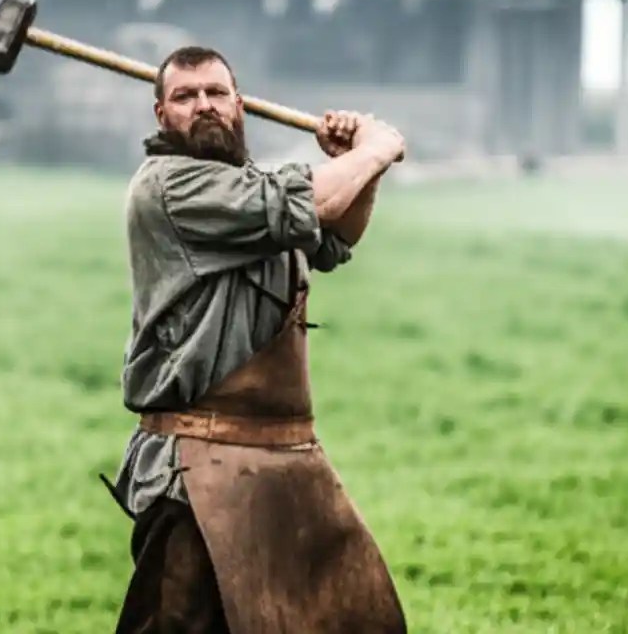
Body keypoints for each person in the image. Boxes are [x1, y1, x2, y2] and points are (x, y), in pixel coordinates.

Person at [105, 45, 408, 633]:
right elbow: (317, 200)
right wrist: (376, 148)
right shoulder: (170, 189)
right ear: (161, 114)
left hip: (280, 466)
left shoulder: (244, 187)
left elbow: (336, 231)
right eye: (185, 97)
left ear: (239, 104)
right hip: (197, 472)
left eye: (216, 93)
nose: (204, 106)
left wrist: (358, 163)